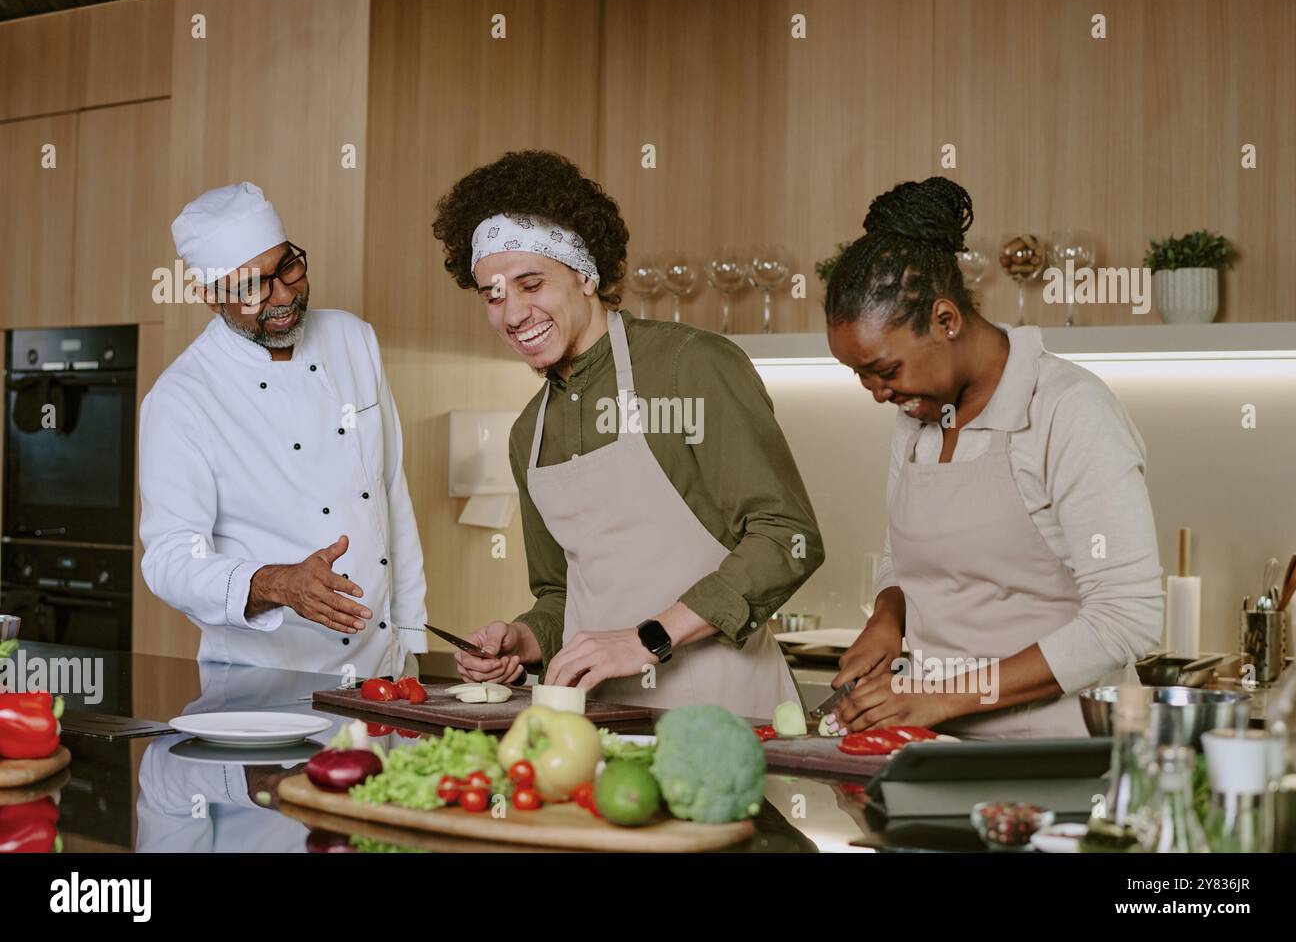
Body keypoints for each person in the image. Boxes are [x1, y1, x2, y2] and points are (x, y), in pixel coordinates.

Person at [431, 150, 823, 719]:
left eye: (530, 282)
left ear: (585, 273)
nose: (512, 312)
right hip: (598, 718)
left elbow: (787, 536)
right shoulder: (529, 433)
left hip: (725, 711)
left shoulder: (690, 365)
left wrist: (648, 640)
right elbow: (563, 594)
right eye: (492, 295)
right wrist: (524, 638)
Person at [824, 177, 1162, 738]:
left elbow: (1126, 619)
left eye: (884, 371)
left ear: (946, 320)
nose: (878, 393)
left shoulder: (1070, 410)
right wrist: (888, 620)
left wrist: (940, 697)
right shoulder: (918, 415)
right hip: (931, 739)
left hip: (1063, 750)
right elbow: (902, 560)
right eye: (859, 376)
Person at [140, 182, 427, 676]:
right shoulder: (182, 397)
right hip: (261, 682)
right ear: (211, 297)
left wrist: (413, 635)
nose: (284, 296)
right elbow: (169, 558)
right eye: (252, 286)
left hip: (384, 670)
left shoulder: (353, 339)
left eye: (288, 267)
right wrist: (272, 584)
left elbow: (391, 490)